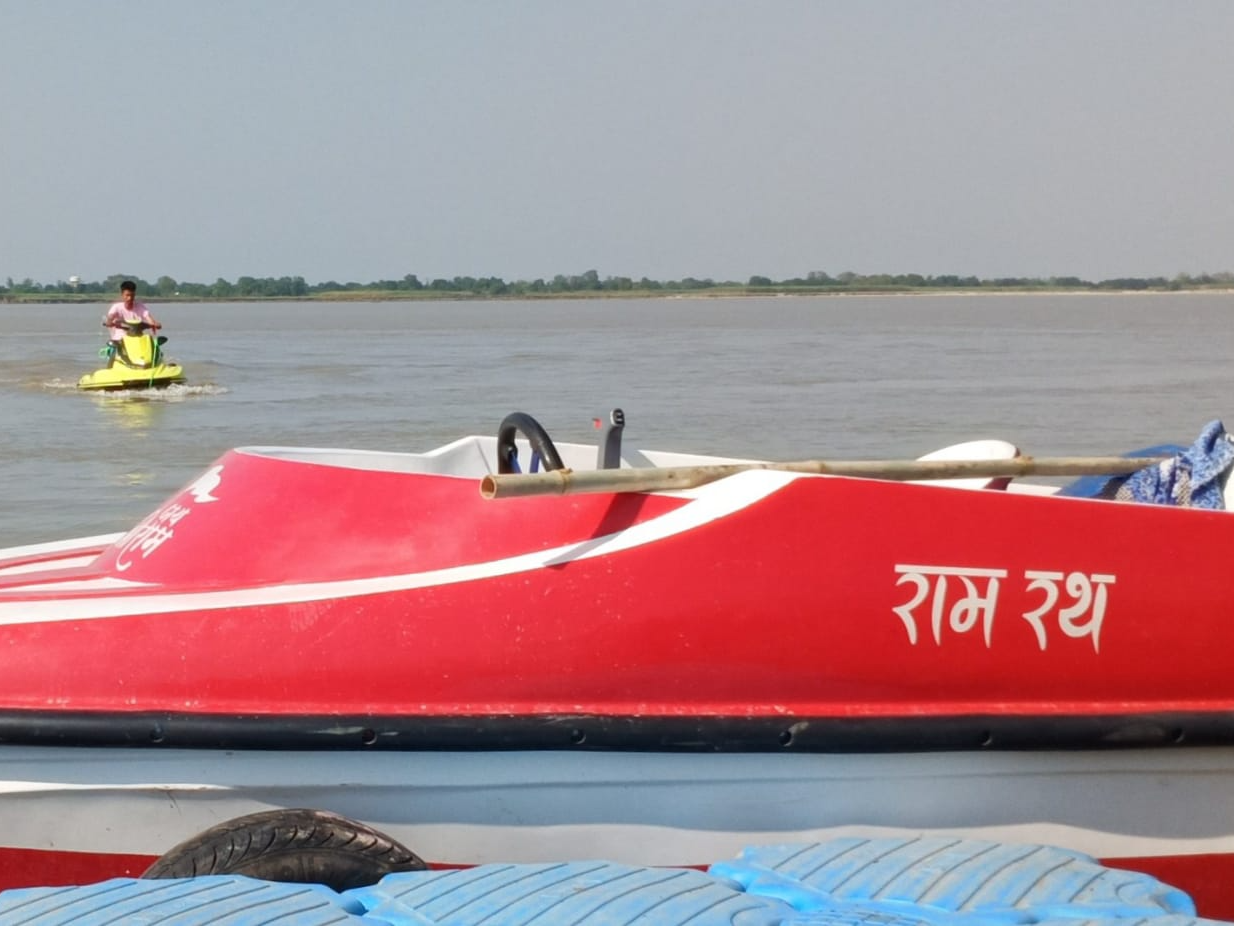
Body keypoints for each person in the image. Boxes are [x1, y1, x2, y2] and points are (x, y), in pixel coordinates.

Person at [103, 280, 162, 366]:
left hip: (138, 336)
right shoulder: (117, 307)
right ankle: (110, 368)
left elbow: (148, 318)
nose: (130, 298)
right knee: (116, 348)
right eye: (127, 295)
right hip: (121, 337)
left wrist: (155, 324)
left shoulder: (140, 306)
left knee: (151, 343)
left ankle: (153, 363)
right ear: (122, 295)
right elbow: (110, 317)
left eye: (132, 295)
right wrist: (109, 322)